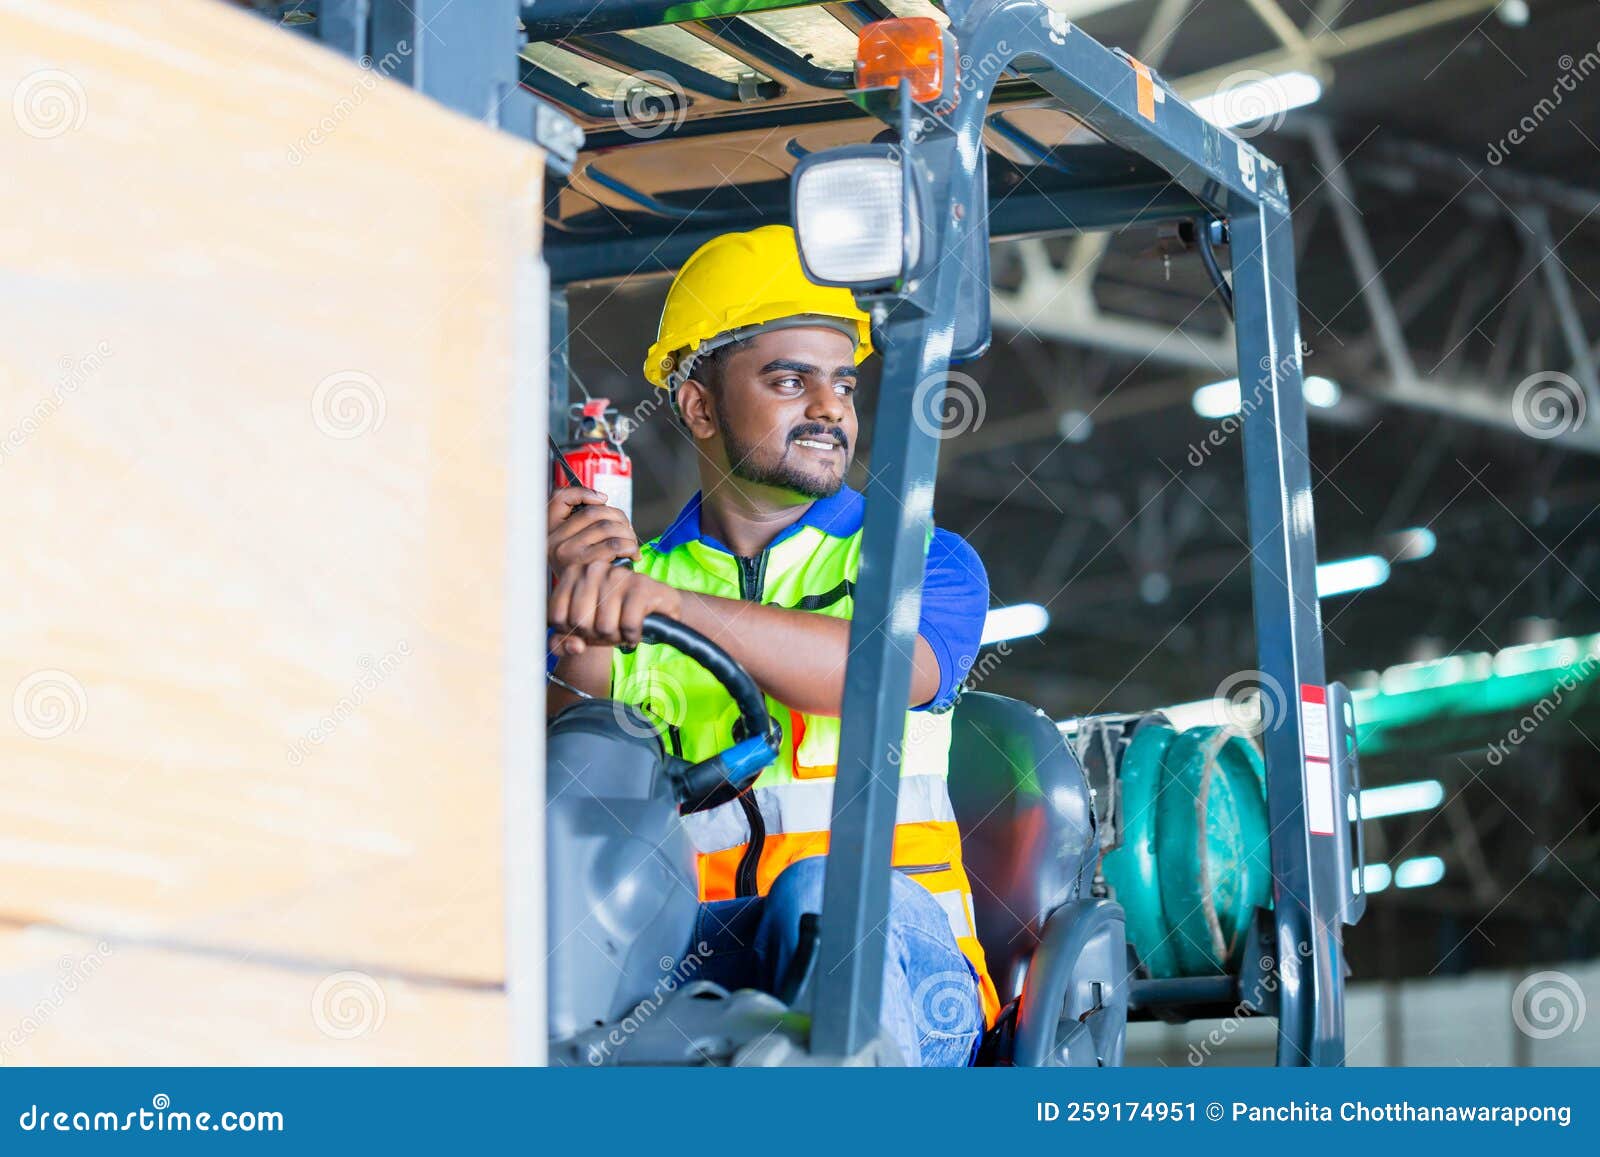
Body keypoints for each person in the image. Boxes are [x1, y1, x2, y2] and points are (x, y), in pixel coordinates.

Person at [546, 225, 998, 1066]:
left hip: (909, 977)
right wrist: (564, 594)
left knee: (820, 890)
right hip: (707, 978)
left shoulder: (918, 555)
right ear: (700, 406)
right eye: (791, 380)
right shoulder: (637, 579)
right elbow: (573, 737)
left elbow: (880, 670)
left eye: (842, 383)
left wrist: (669, 604)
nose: (830, 408)